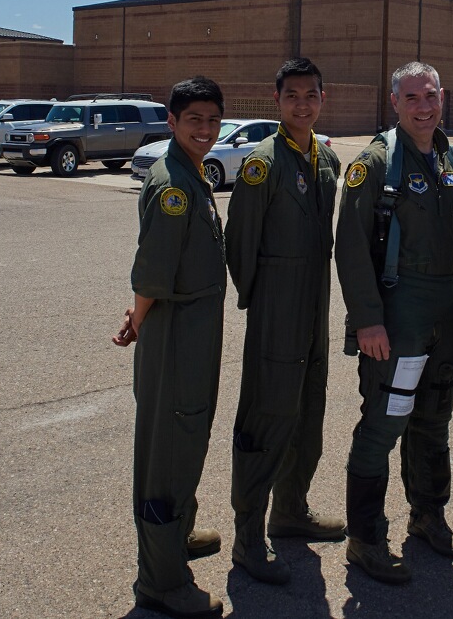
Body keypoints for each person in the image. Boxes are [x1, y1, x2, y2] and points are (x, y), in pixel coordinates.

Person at [335, 61, 453, 584]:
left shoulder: (447, 154)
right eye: (413, 97)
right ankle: (365, 538)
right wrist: (369, 321)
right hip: (398, 316)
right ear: (394, 102)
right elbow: (349, 248)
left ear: (443, 97)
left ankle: (428, 516)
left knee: (434, 418)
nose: (424, 107)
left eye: (432, 96)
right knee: (383, 423)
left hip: (444, 310)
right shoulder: (376, 162)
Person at [224, 58, 344, 585]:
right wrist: (261, 298)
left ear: (323, 98)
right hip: (278, 306)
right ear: (277, 101)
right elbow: (240, 242)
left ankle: (291, 509)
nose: (302, 104)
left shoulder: (323, 159)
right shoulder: (262, 162)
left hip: (315, 303)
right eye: (292, 95)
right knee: (267, 415)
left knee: (308, 410)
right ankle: (248, 535)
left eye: (310, 95)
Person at [112, 76, 227, 619]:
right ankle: (159, 579)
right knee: (167, 449)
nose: (204, 129)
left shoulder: (193, 172)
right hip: (176, 334)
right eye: (193, 120)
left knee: (189, 434)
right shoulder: (175, 186)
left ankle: (175, 533)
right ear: (171, 122)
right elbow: (154, 273)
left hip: (192, 331)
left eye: (212, 120)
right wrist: (138, 319)